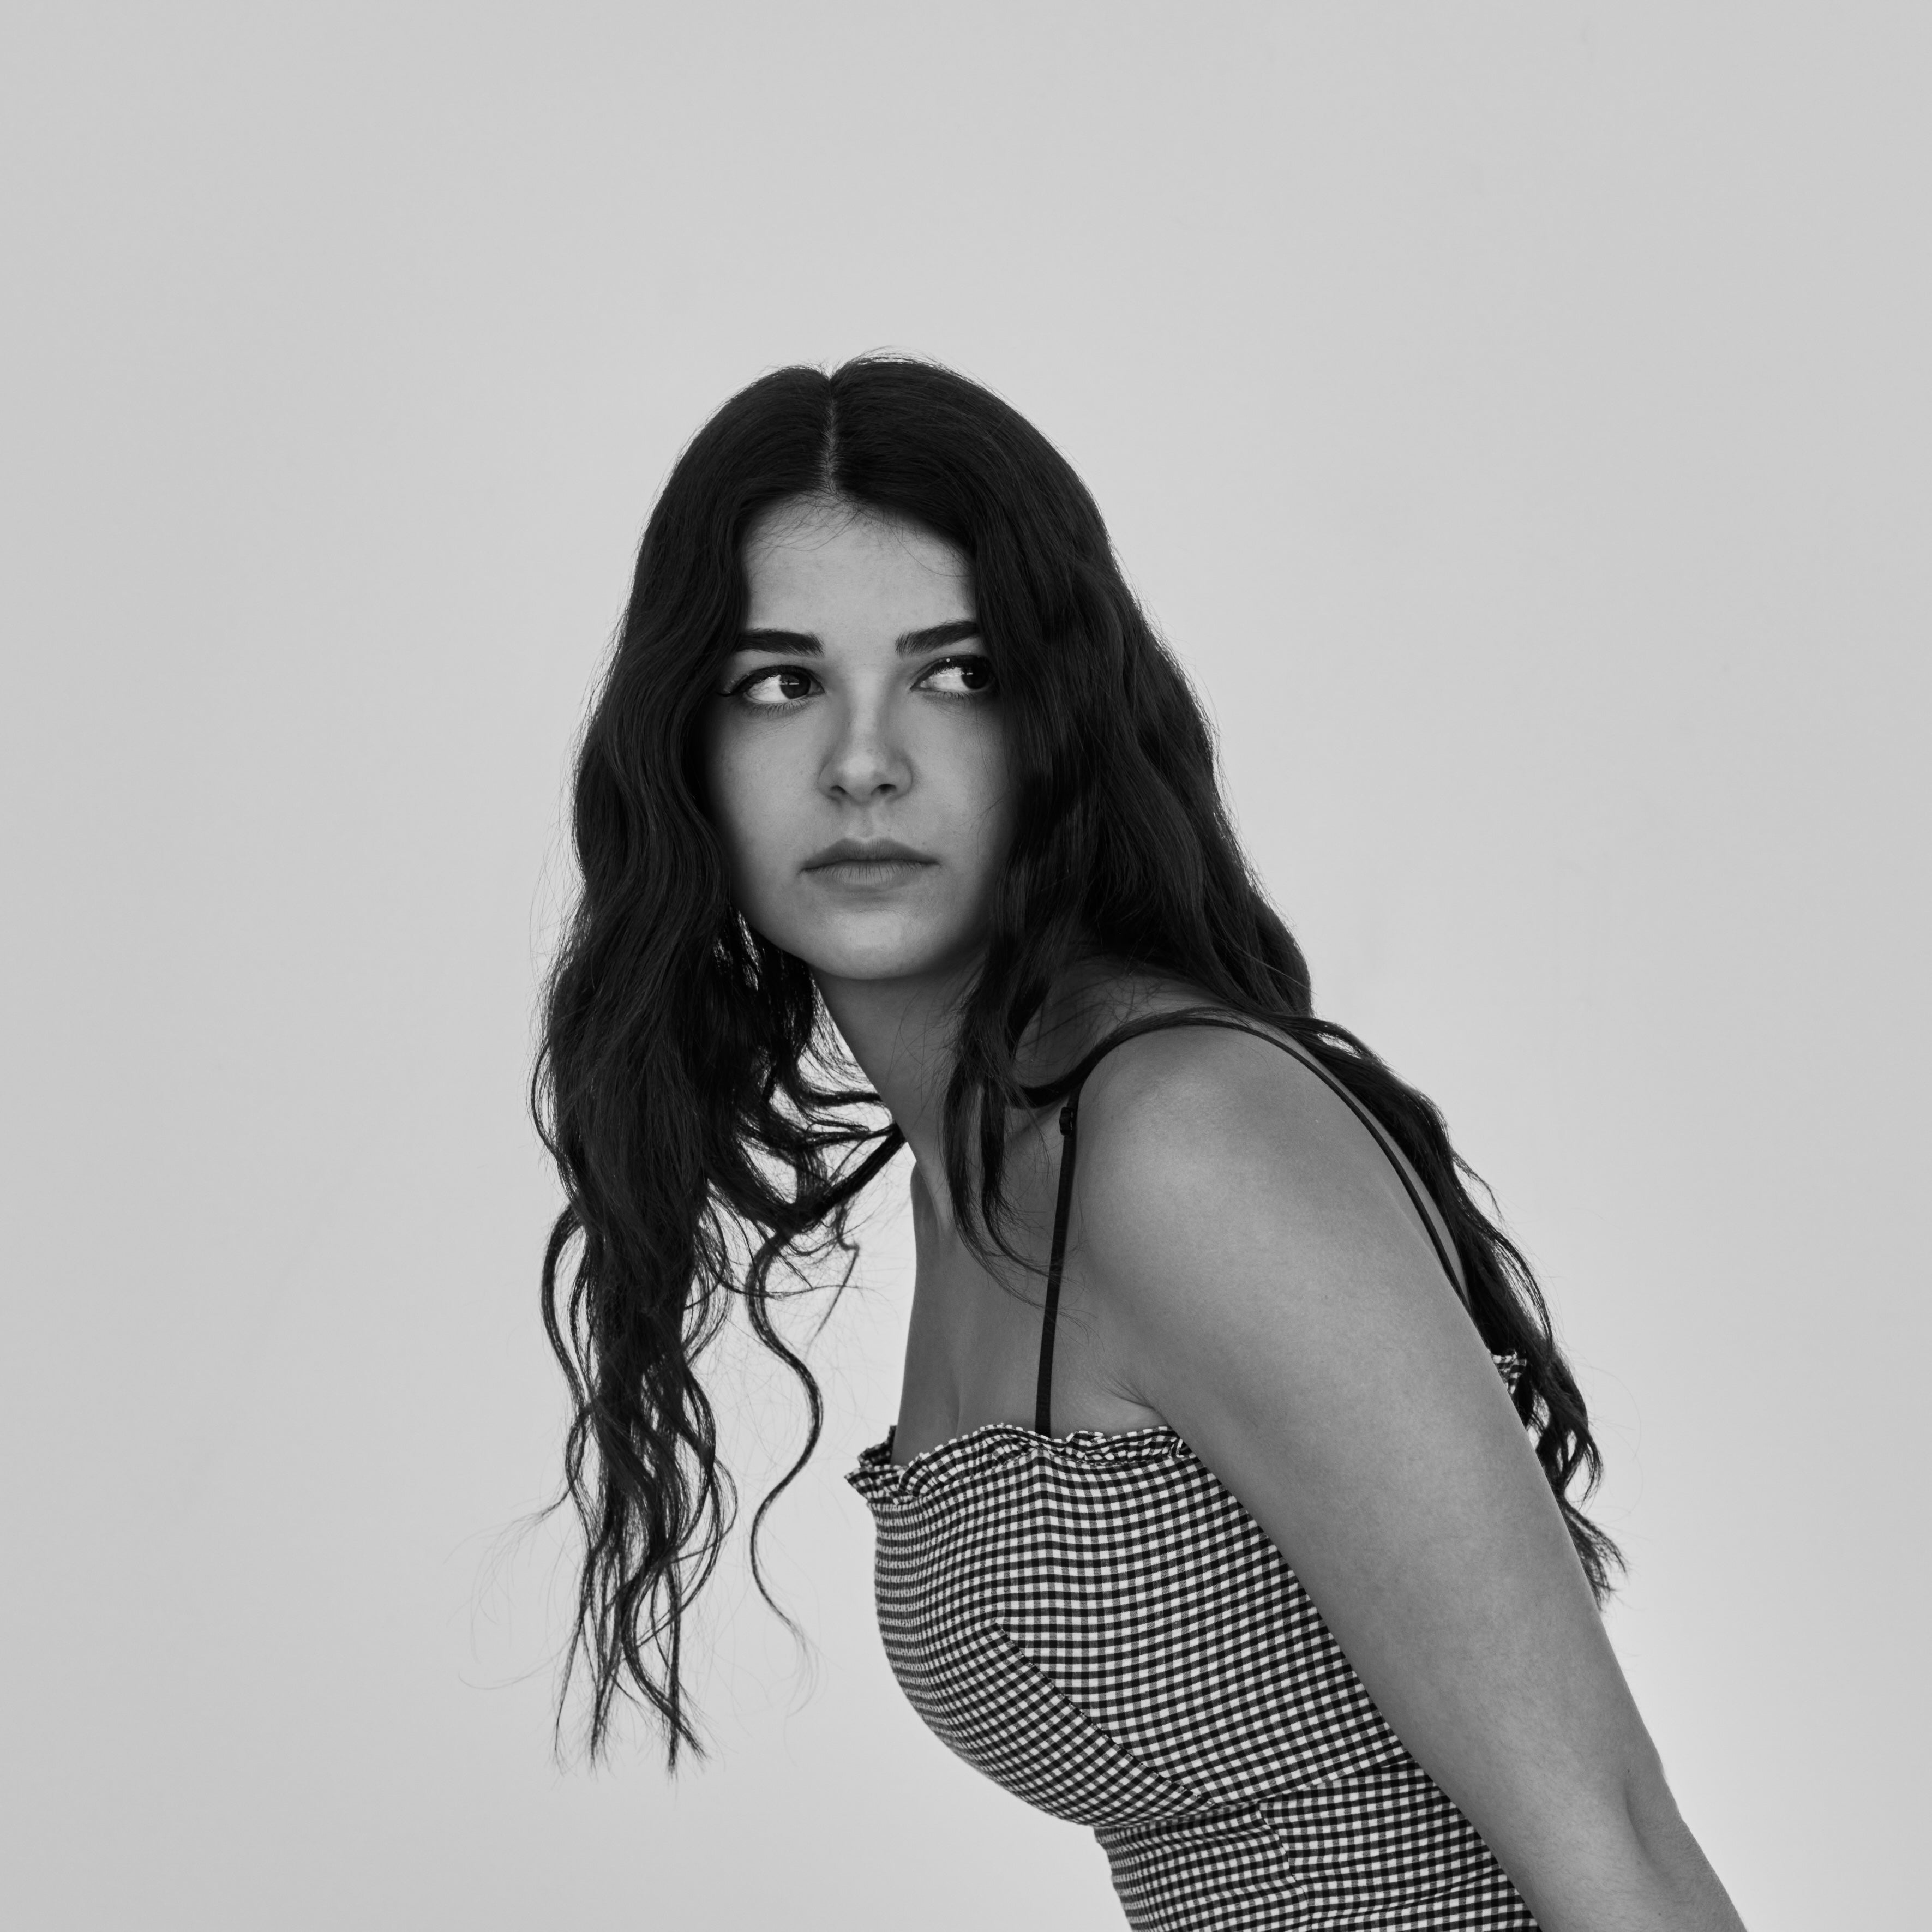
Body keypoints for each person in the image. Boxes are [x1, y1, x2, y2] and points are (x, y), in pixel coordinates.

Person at [533, 356, 1745, 1930]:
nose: (864, 761)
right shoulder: (987, 1163)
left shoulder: (1176, 1137)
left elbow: (1615, 1846)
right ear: (683, 751)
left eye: (958, 673)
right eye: (781, 683)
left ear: (1062, 722)